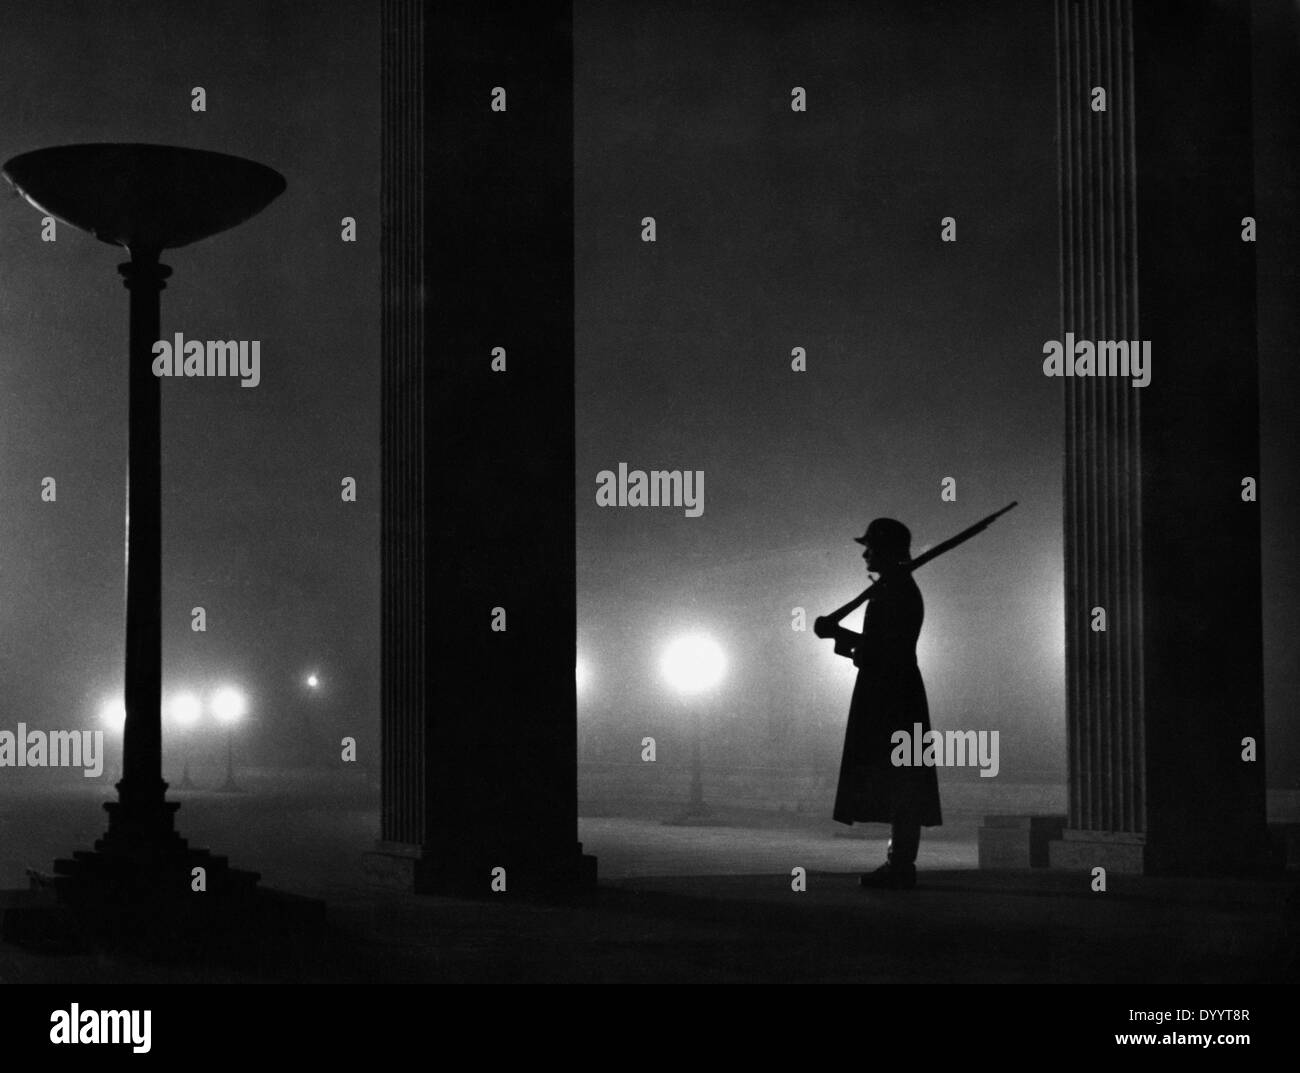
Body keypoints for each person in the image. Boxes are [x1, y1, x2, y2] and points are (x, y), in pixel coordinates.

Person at [814, 518, 942, 889]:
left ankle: (900, 865)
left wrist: (837, 633)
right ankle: (899, 863)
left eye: (871, 547)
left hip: (894, 694)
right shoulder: (892, 588)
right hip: (890, 690)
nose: (866, 554)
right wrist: (843, 637)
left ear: (886, 550)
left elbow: (885, 650)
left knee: (903, 781)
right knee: (900, 778)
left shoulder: (897, 592)